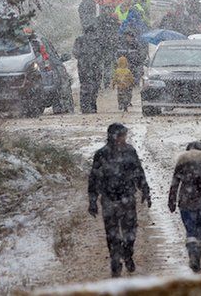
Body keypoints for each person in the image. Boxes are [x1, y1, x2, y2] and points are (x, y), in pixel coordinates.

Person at [88, 123, 151, 277]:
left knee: (130, 232)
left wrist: (145, 190)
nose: (124, 139)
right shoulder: (101, 154)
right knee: (112, 234)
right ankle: (115, 261)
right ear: (113, 136)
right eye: (121, 135)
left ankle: (128, 254)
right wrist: (92, 200)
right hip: (109, 199)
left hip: (127, 197)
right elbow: (94, 178)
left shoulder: (130, 151)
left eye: (125, 135)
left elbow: (138, 172)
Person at [168, 141, 201, 272]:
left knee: (190, 230)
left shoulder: (182, 159)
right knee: (199, 229)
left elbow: (175, 182)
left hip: (186, 199)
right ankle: (197, 257)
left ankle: (192, 255)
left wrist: (172, 200)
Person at [73, 29, 101, 114]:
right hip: (88, 67)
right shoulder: (83, 40)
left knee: (88, 87)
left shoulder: (94, 40)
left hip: (87, 67)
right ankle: (89, 106)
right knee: (91, 87)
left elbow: (75, 53)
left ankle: (87, 106)